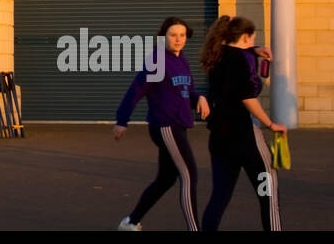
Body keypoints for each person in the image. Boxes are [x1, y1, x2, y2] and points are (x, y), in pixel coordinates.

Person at [114, 17, 209, 231]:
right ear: (164, 36)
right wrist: (122, 120)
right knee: (189, 174)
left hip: (179, 126)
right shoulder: (157, 60)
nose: (178, 39)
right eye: (173, 35)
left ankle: (131, 222)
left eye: (182, 35)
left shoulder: (182, 60)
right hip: (166, 126)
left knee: (166, 179)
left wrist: (199, 98)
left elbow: (187, 92)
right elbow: (136, 90)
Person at [199, 15, 285, 231]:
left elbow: (237, 55)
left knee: (219, 197)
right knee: (269, 196)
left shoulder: (217, 56)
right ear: (246, 36)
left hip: (219, 138)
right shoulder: (241, 60)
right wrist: (271, 124)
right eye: (252, 38)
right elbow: (247, 98)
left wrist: (254, 49)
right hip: (246, 138)